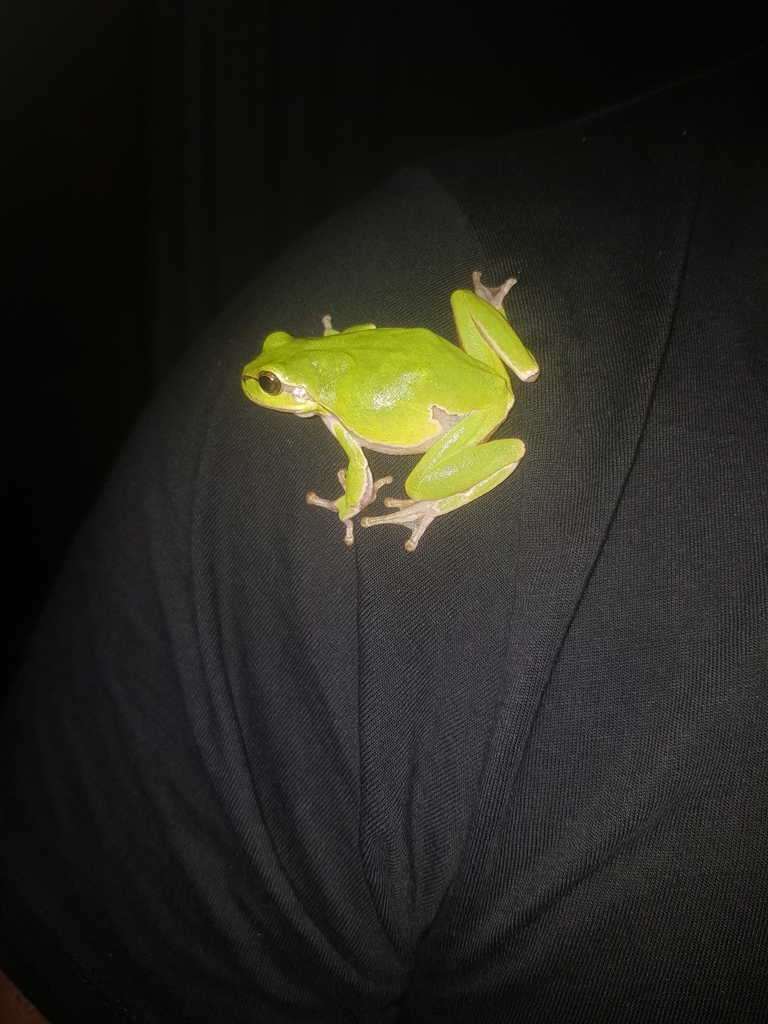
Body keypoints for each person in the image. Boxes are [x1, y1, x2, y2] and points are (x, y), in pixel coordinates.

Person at [1, 48, 766, 1023]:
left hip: (464, 424)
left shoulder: (332, 412)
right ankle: (487, 318)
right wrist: (350, 347)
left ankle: (439, 490)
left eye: (274, 377)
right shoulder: (328, 355)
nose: (267, 377)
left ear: (299, 388)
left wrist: (375, 502)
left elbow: (357, 472)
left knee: (404, 471)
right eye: (281, 366)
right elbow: (356, 338)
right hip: (463, 361)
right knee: (466, 322)